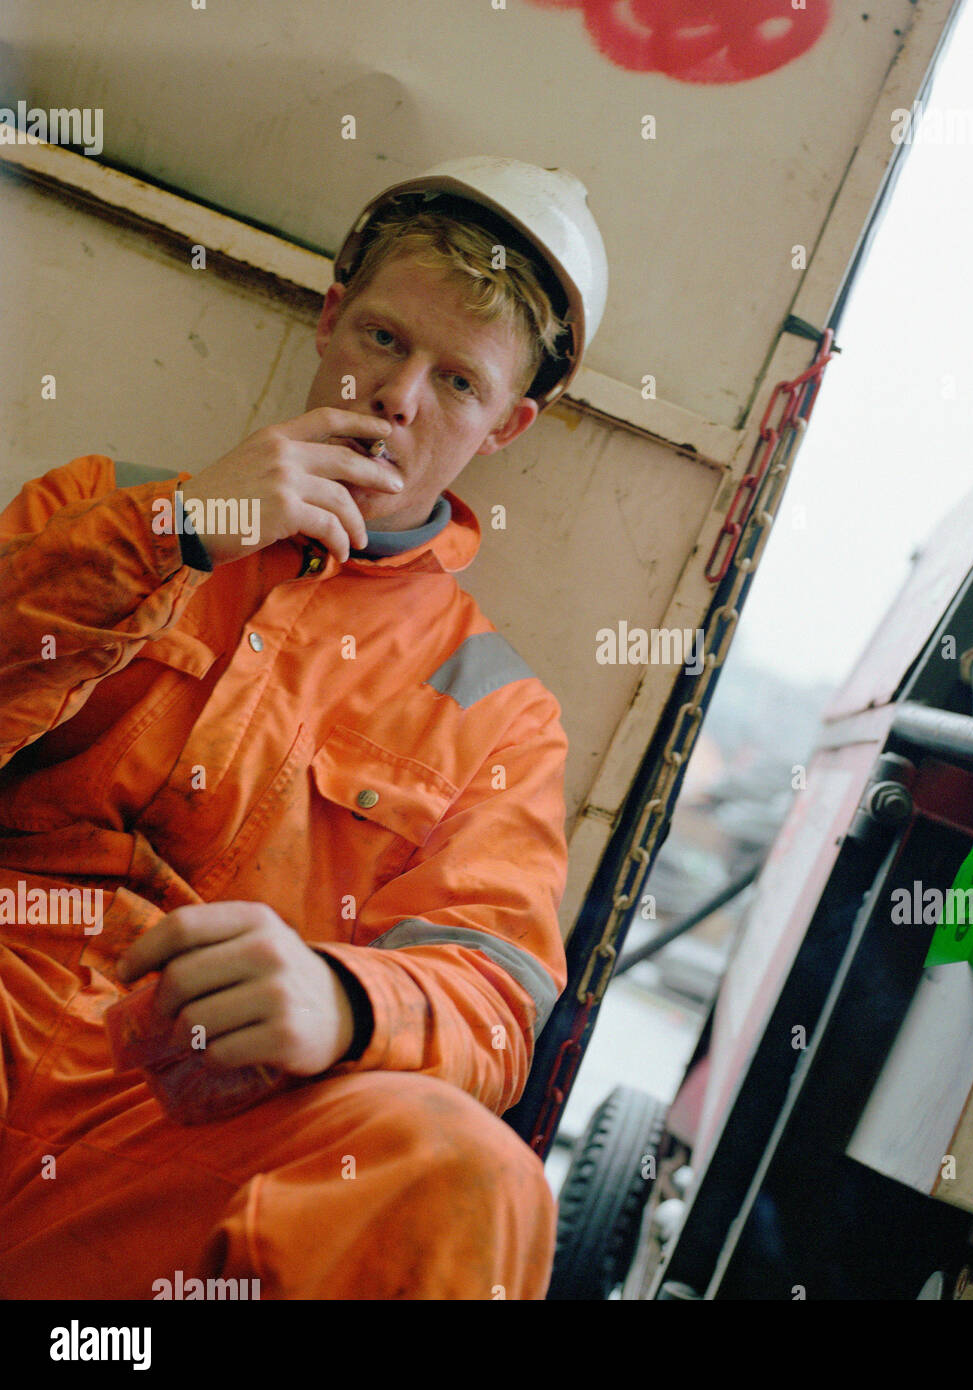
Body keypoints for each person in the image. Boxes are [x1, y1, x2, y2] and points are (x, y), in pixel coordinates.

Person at [0, 155, 608, 1299]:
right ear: (330, 319)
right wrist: (182, 528)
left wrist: (344, 1001)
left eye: (458, 382)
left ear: (509, 426)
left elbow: (491, 994)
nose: (399, 398)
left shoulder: (499, 712)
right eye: (382, 339)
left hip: (185, 1114)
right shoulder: (103, 504)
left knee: (470, 1175)